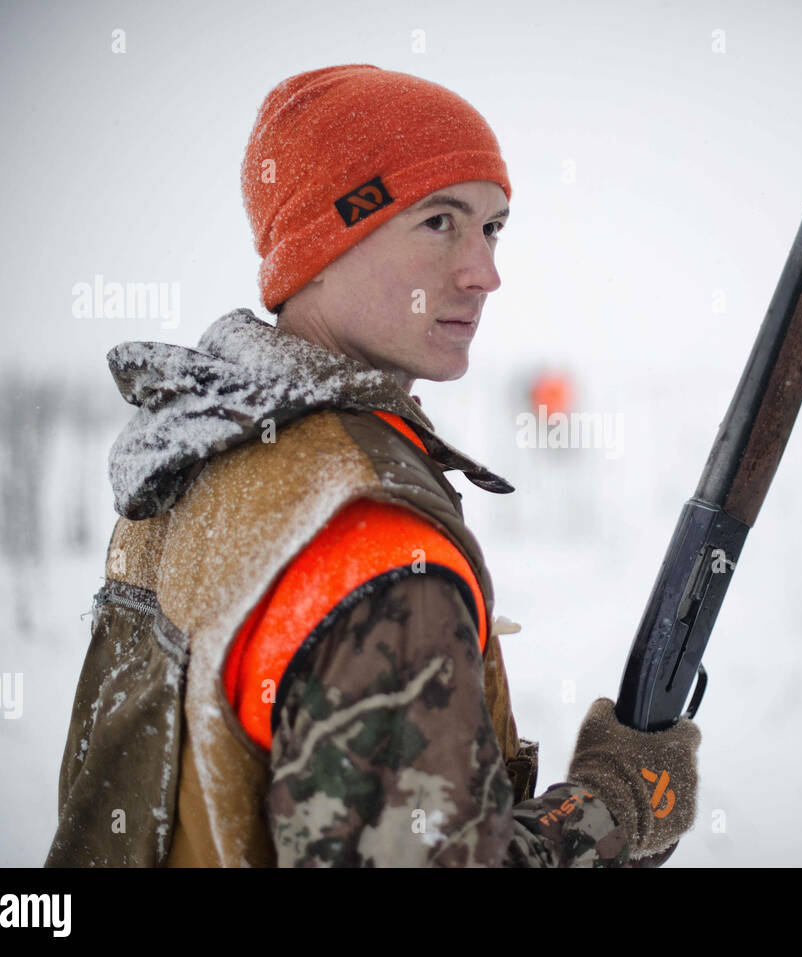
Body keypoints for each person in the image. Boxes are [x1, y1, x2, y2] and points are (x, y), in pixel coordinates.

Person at [46, 64, 701, 868]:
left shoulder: (197, 457)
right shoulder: (371, 540)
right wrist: (617, 804)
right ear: (323, 244)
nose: (484, 273)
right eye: (438, 222)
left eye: (493, 228)